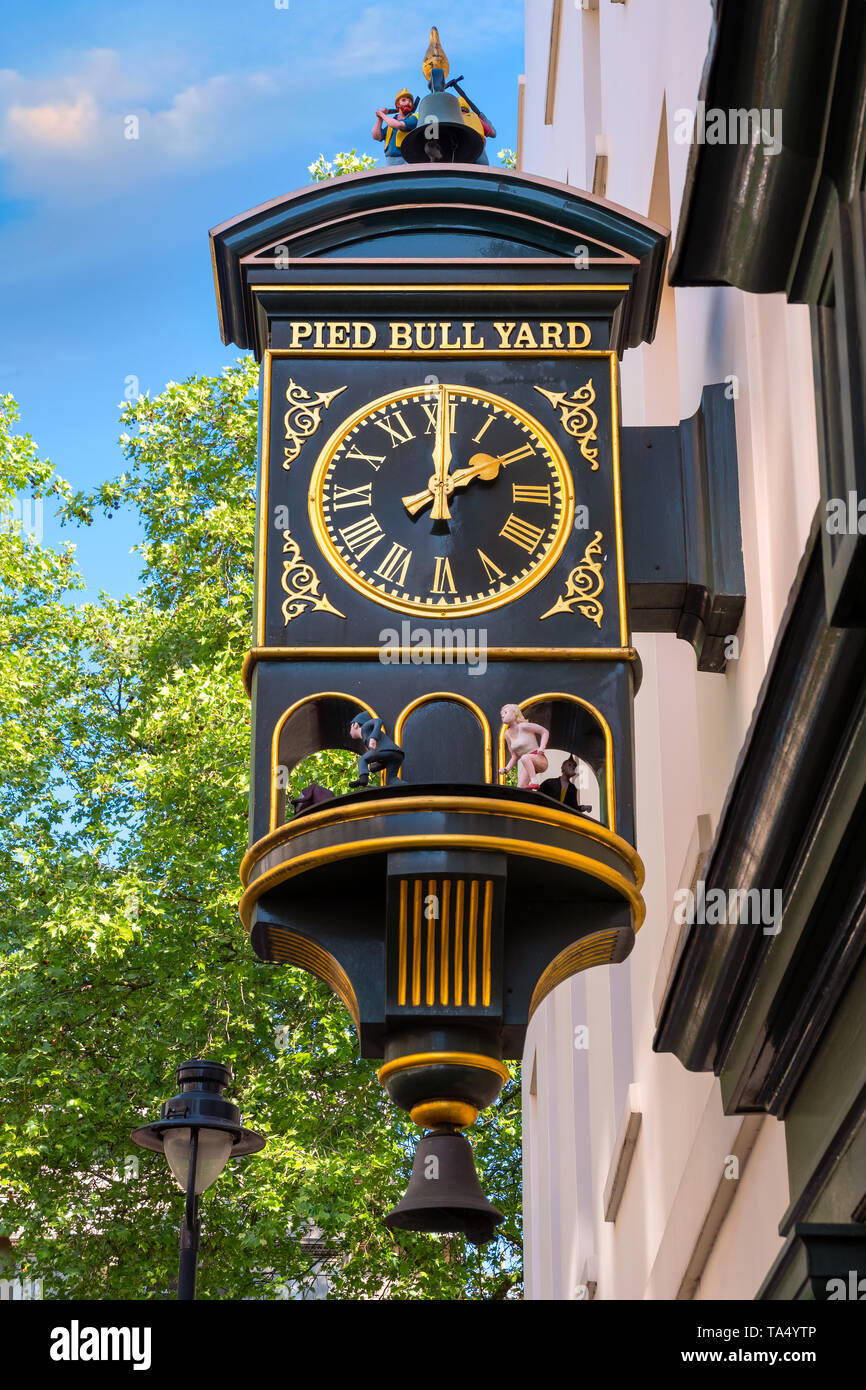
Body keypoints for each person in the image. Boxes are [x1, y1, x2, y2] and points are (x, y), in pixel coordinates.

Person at [500, 704, 549, 790]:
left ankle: (534, 782)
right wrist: (506, 769)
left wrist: (542, 747)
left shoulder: (524, 726)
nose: (503, 715)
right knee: (520, 787)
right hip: (528, 763)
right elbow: (514, 756)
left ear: (514, 714)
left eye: (505, 712)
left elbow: (544, 731)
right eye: (501, 715)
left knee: (525, 757)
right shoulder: (507, 734)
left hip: (539, 759)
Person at [349, 712, 405, 787]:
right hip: (397, 754)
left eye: (350, 727)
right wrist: (375, 767)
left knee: (362, 760)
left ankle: (363, 779)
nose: (350, 731)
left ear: (355, 725)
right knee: (391, 781)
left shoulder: (365, 727)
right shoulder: (365, 736)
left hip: (387, 750)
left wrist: (373, 737)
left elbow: (378, 721)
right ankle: (410, 787)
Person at [372, 89, 418, 166]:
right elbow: (376, 136)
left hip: (407, 158)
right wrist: (380, 118)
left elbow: (399, 125)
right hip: (390, 160)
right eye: (404, 100)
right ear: (397, 105)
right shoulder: (390, 123)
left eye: (410, 101)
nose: (408, 103)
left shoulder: (413, 119)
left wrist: (382, 115)